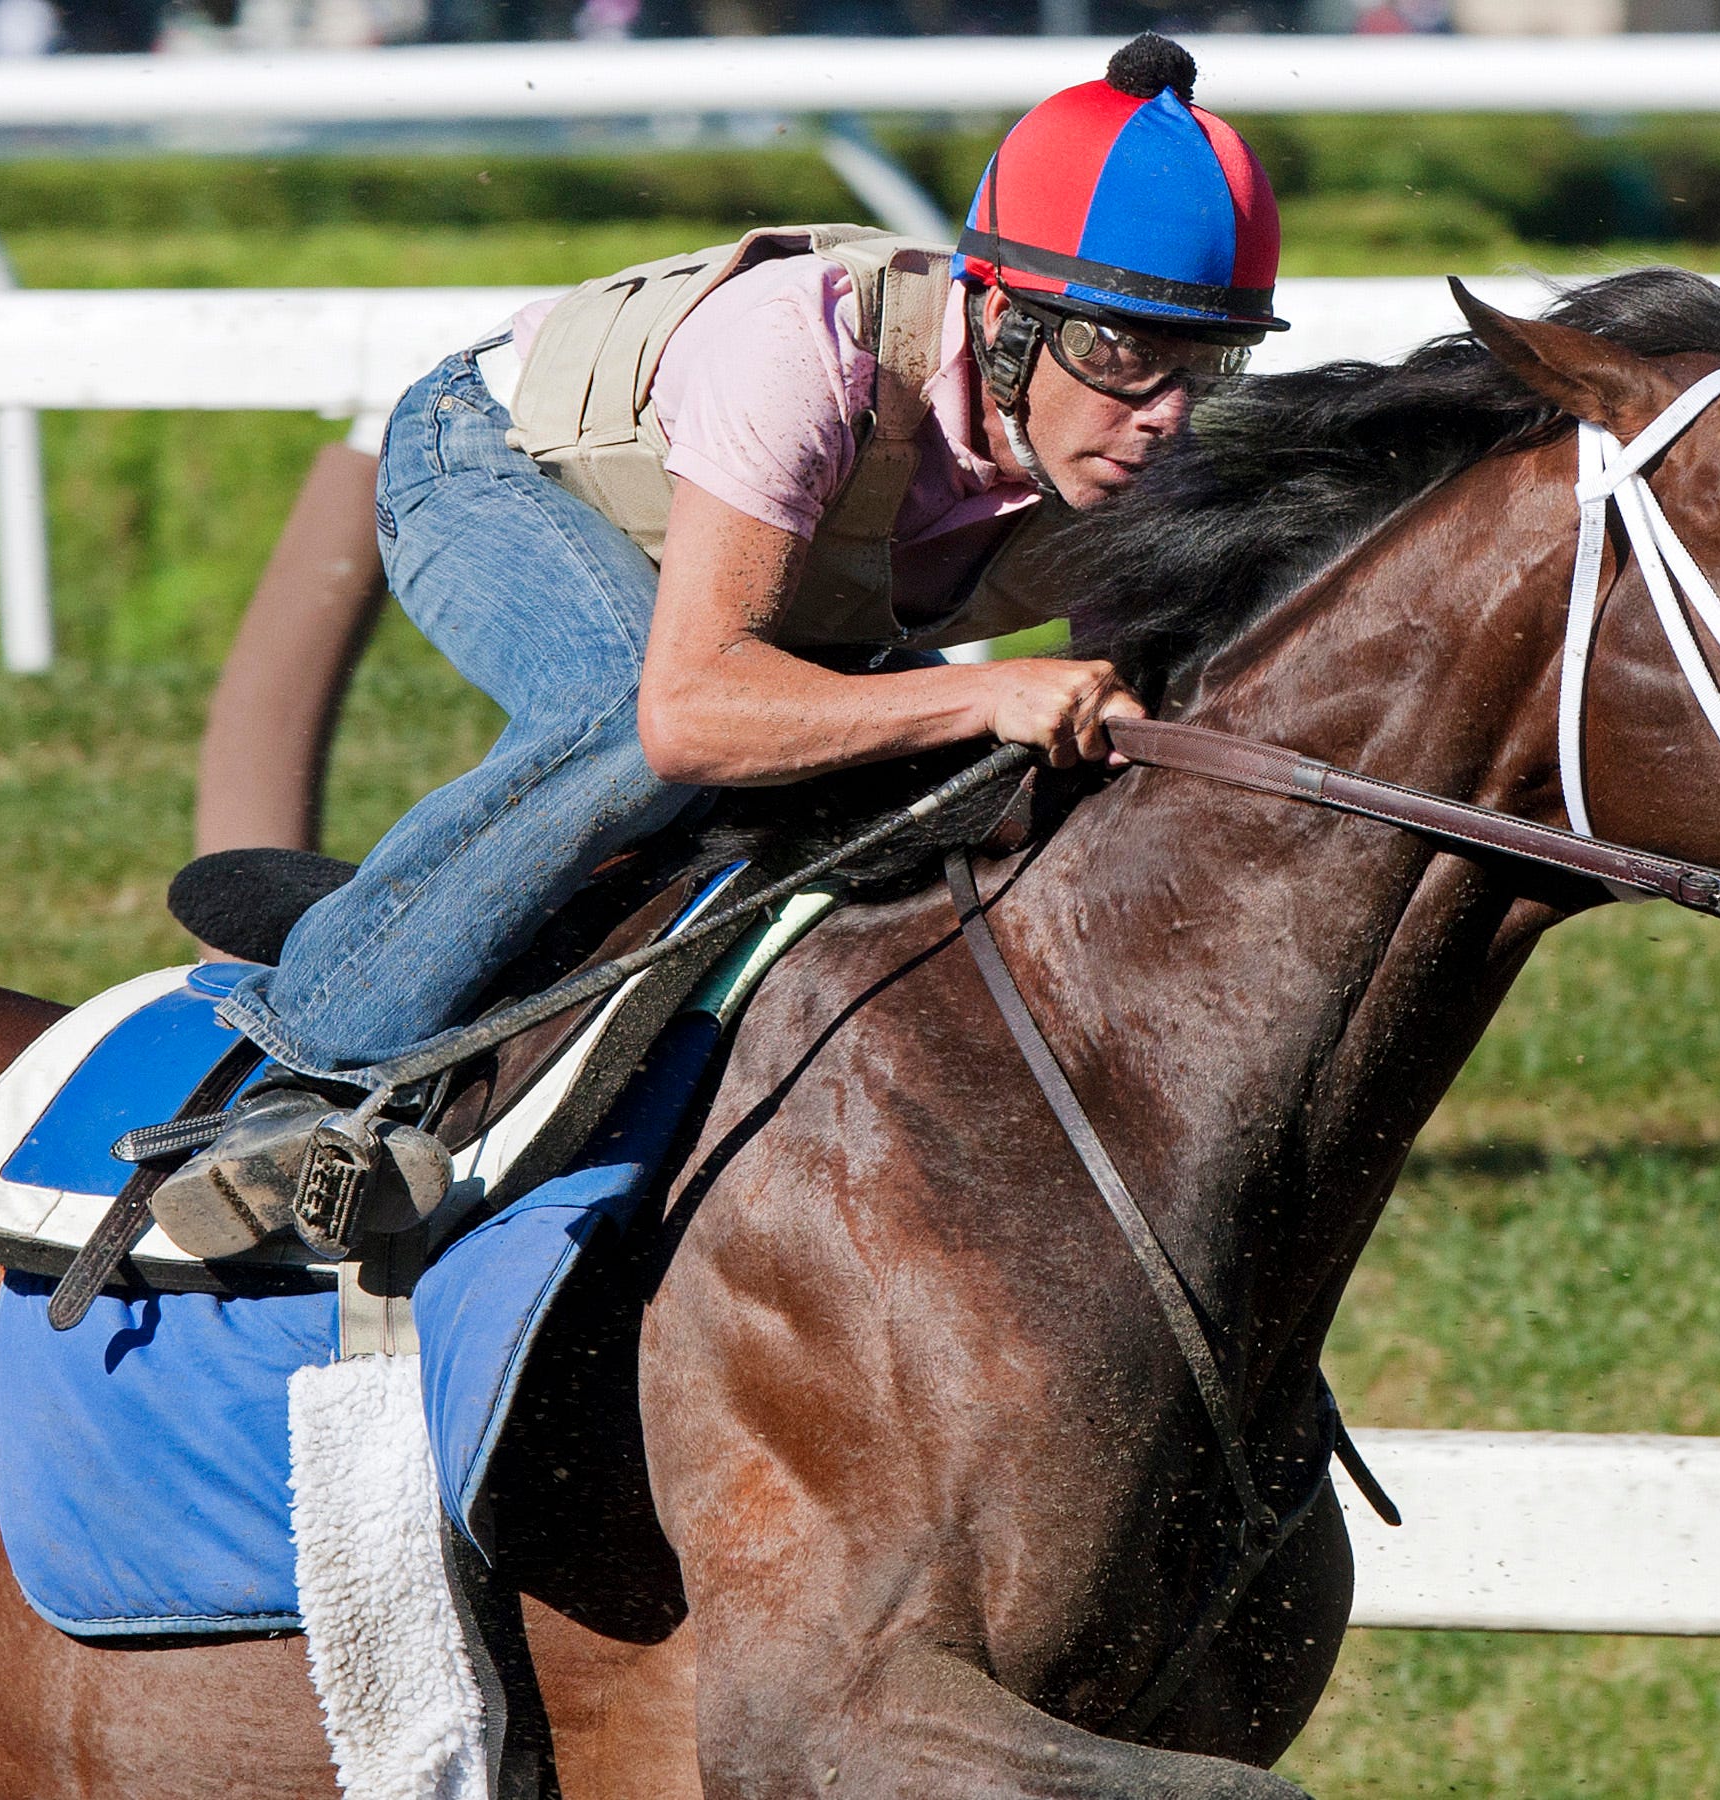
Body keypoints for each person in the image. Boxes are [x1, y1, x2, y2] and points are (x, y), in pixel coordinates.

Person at [153, 31, 1286, 1258]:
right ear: (1003, 317)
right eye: (1120, 354)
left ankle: (458, 921)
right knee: (627, 726)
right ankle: (310, 1057)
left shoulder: (1138, 458)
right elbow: (690, 710)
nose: (1164, 414)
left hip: (749, 564)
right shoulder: (796, 357)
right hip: (497, 463)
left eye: (1201, 365)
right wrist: (989, 689)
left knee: (961, 788)